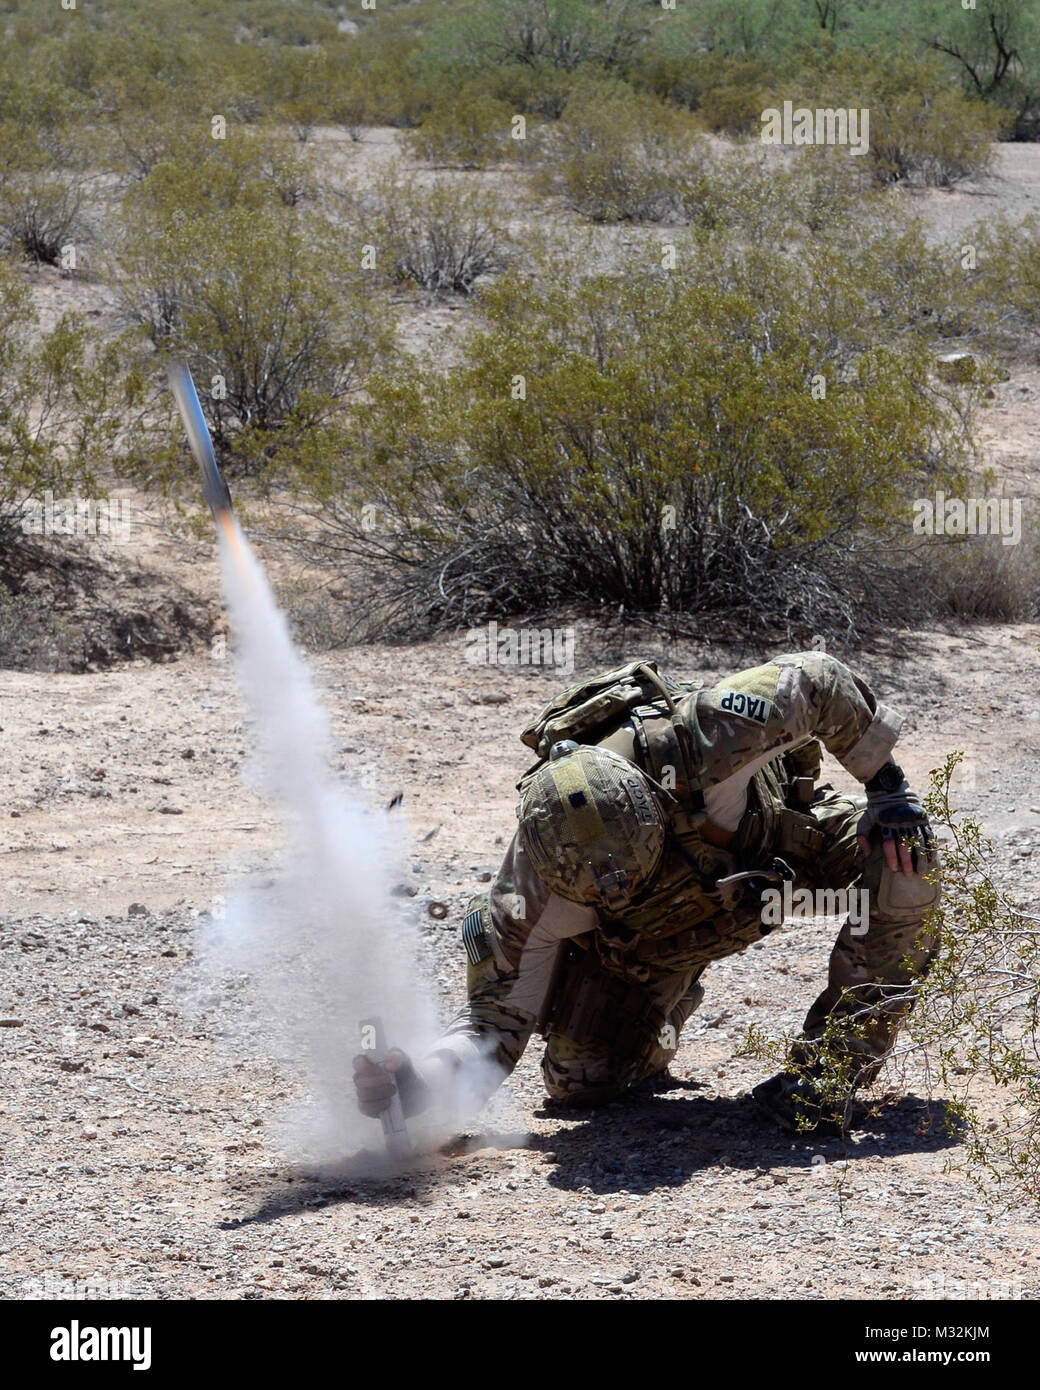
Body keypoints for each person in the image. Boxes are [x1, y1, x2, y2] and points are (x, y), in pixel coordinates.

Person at [353, 652, 940, 1136]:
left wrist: (887, 791)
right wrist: (420, 1080)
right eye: (598, 891)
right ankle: (668, 1002)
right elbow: (491, 1021)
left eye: (633, 873)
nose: (615, 890)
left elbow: (818, 679)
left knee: (908, 862)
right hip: (655, 944)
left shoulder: (702, 741)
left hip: (781, 856)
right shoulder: (527, 891)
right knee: (581, 1082)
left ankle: (829, 1072)